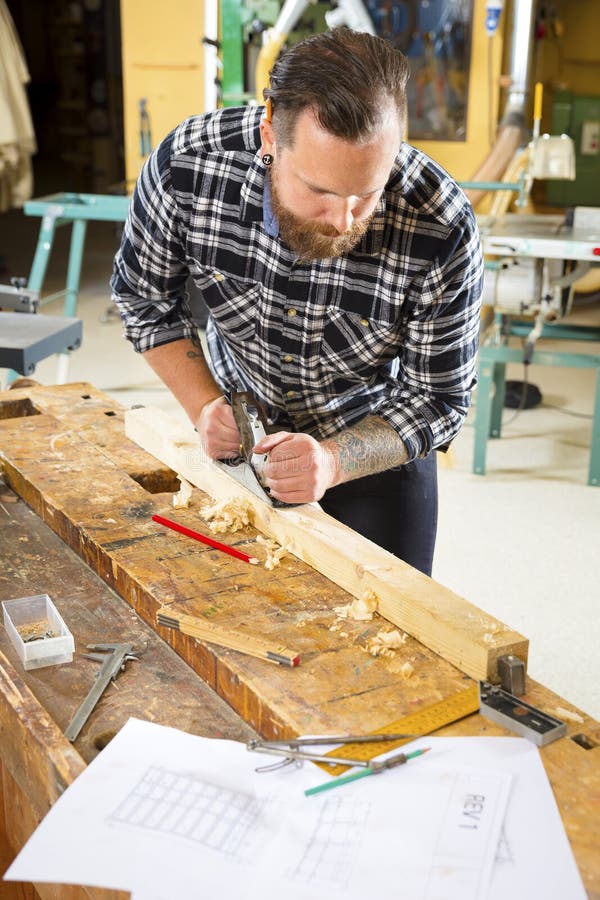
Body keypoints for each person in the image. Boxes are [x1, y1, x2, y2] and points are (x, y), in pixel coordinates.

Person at [111, 28, 483, 576]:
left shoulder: (442, 225)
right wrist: (205, 406)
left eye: (368, 193)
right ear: (269, 135)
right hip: (238, 438)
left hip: (370, 447)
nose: (344, 221)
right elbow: (144, 299)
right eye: (321, 192)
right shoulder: (188, 166)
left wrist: (330, 460)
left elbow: (438, 400)